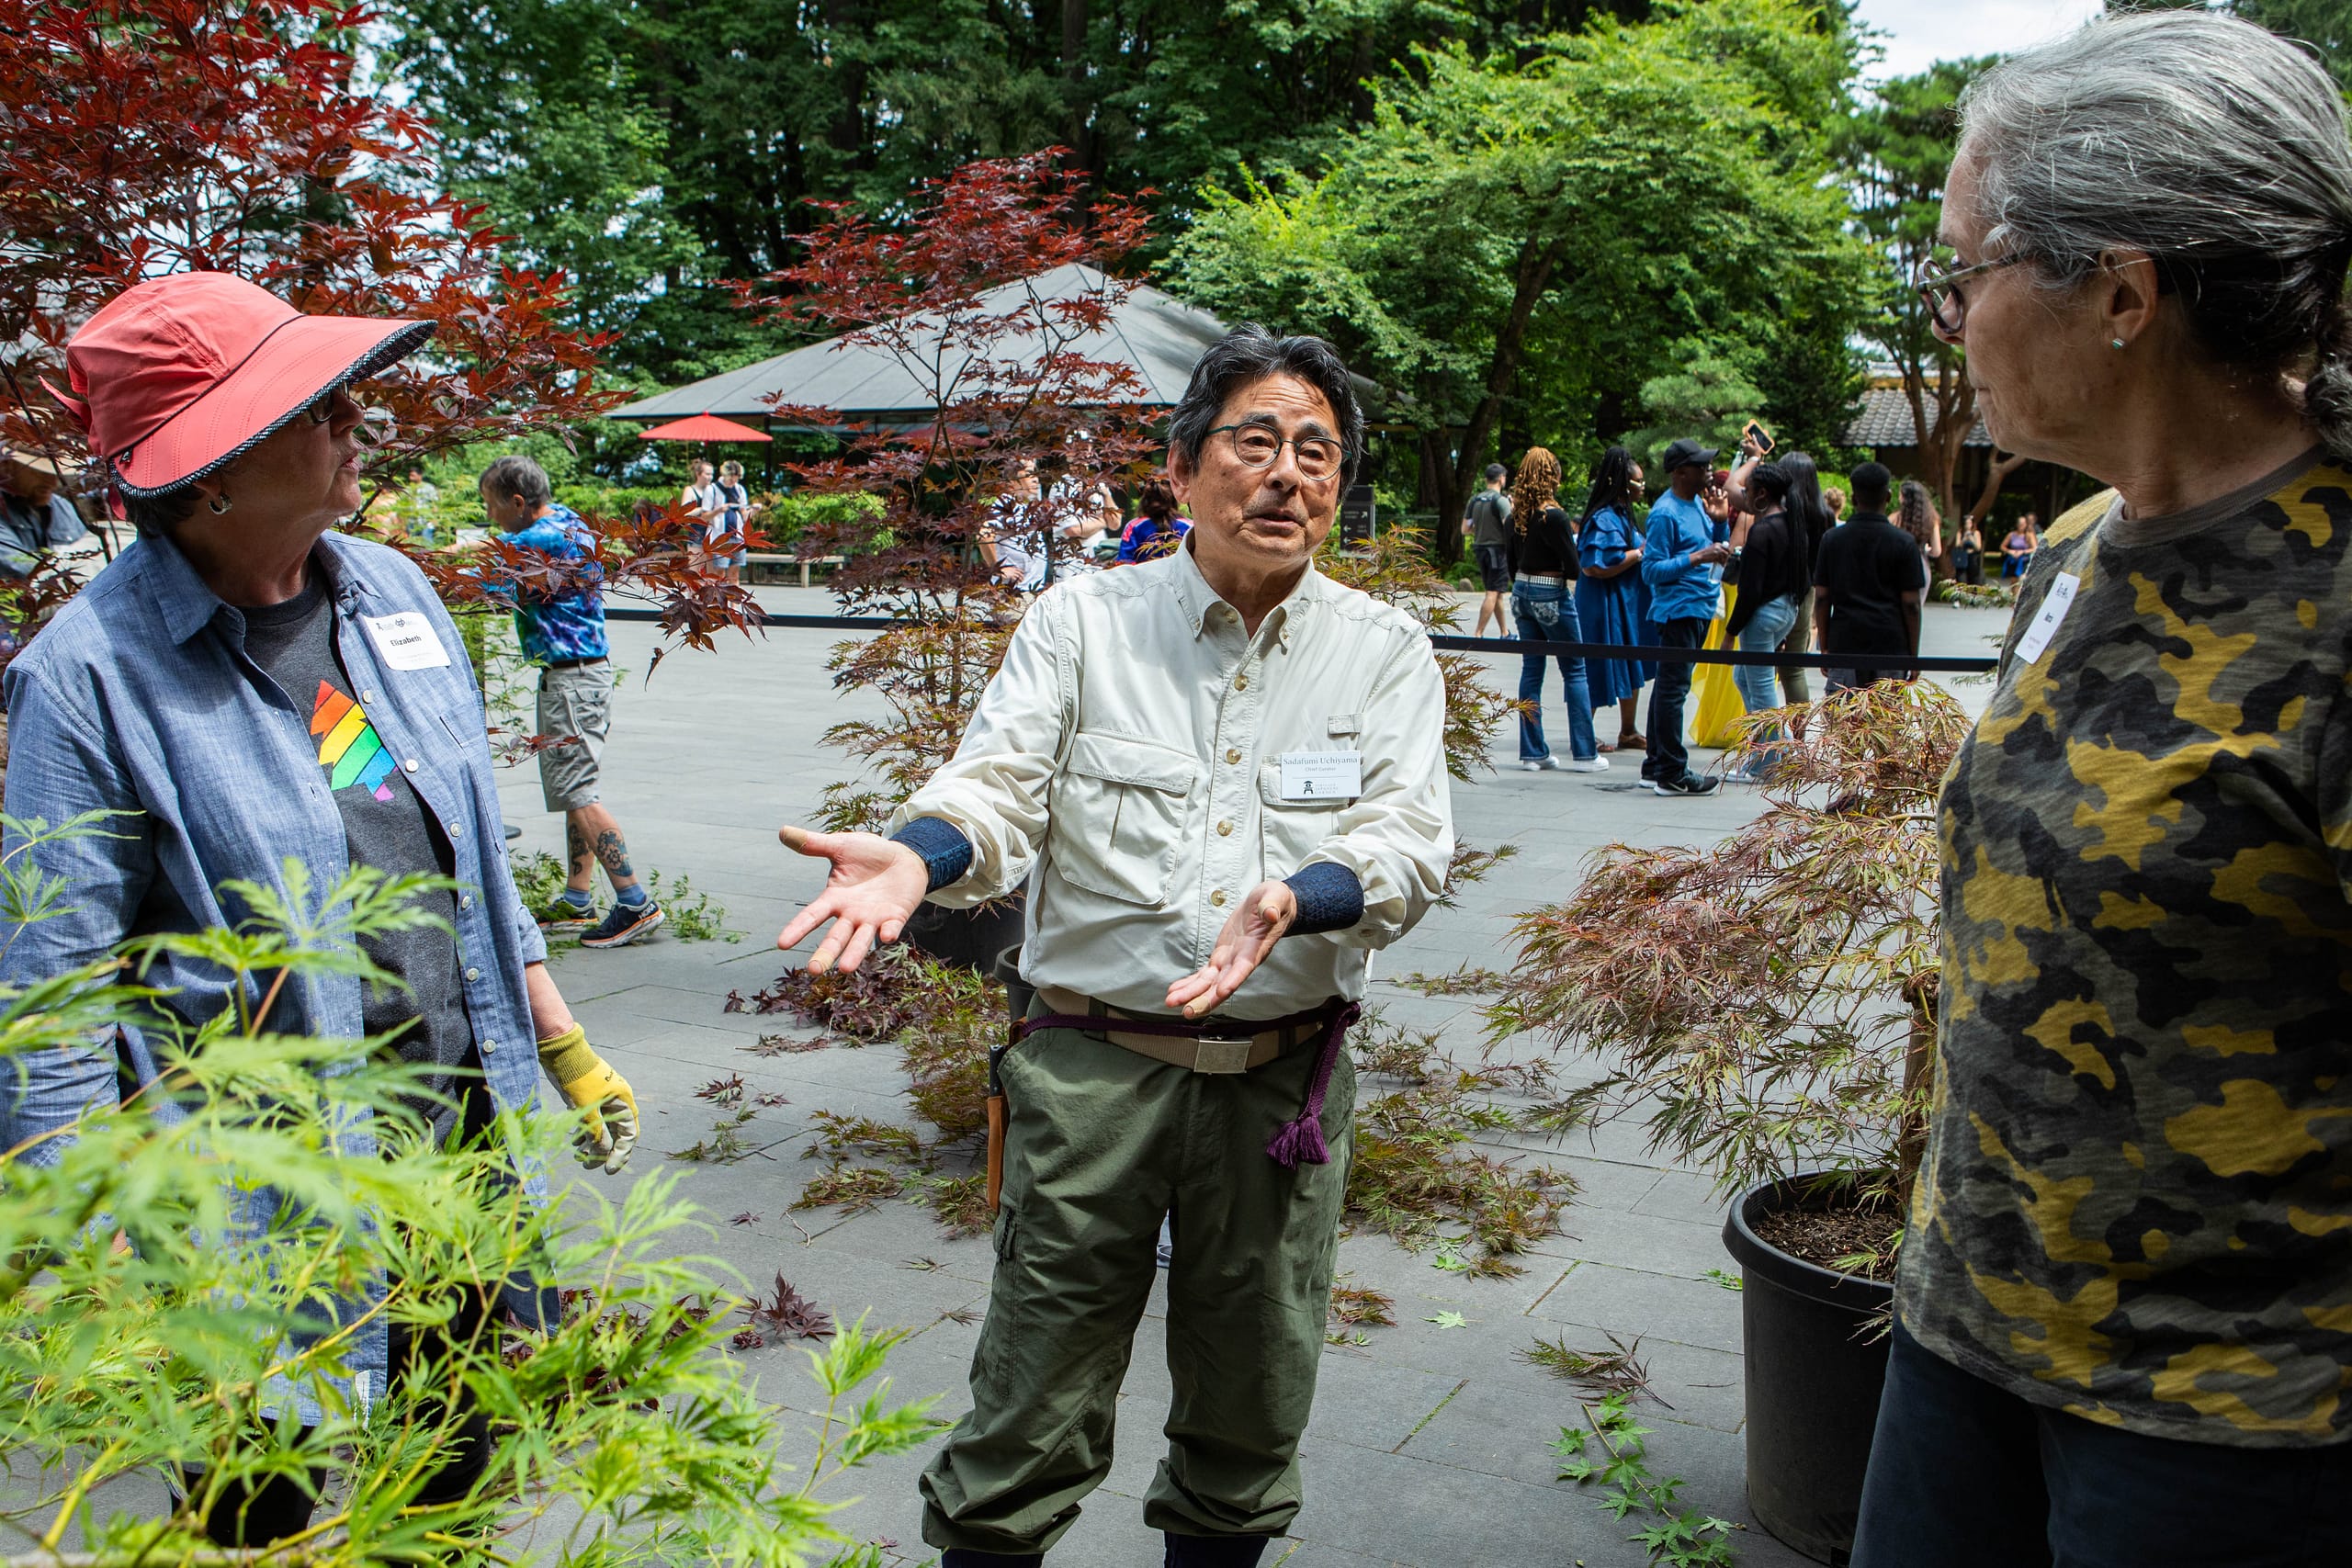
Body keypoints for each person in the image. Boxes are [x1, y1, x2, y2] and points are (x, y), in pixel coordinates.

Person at [776, 326, 1452, 1568]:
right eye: (1257, 440)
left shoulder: (1384, 651)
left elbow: (1408, 838)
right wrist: (920, 854)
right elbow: (996, 788)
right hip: (1095, 1072)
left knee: (1255, 1394)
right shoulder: (1084, 621)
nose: (1288, 473)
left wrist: (1298, 894)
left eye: (1318, 451)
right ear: (1184, 468)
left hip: (1282, 1084)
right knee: (1034, 1386)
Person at [0, 272, 639, 1547]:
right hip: (249, 1181)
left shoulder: (385, 598)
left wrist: (559, 1038)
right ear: (212, 469)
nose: (360, 414)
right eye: (318, 400)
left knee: (463, 1456)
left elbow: (423, 832)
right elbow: (49, 992)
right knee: (260, 1493)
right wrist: (80, 1242)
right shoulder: (86, 679)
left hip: (455, 1130)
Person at [1853, 14, 2352, 1566]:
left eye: (1963, 273)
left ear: (2123, 293)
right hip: (1965, 1334)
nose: (1949, 318)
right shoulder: (2073, 553)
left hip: (2229, 1423)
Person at [479, 454, 664, 948]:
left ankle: (634, 902)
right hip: (584, 677)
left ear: (518, 502)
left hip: (570, 682)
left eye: (492, 506)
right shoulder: (571, 521)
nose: (490, 516)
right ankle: (577, 900)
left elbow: (489, 590)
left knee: (578, 791)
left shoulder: (526, 543)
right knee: (574, 789)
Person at [1500, 446, 1605, 773]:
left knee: (1531, 670)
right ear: (1553, 477)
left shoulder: (1513, 517)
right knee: (1574, 670)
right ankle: (1585, 754)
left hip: (1520, 592)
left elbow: (1511, 564)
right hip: (1551, 593)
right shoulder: (1554, 517)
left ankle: (1533, 752)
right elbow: (1574, 568)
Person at [1638, 437, 1732, 796]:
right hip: (1679, 609)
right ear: (1680, 473)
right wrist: (1695, 558)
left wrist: (1721, 525)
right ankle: (1673, 772)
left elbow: (1711, 549)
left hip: (1699, 606)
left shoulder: (1694, 503)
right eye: (1702, 466)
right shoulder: (1664, 513)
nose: (1709, 471)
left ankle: (1655, 765)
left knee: (1667, 687)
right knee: (1673, 691)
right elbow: (1651, 570)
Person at [1722, 461, 1806, 779]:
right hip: (1786, 610)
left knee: (1759, 688)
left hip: (1764, 613)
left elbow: (1751, 589)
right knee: (1744, 678)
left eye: (1749, 489)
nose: (1744, 494)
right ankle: (1780, 746)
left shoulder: (1763, 529)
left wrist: (1730, 632)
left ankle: (1766, 762)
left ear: (1762, 493)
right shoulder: (1792, 524)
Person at [1811, 463, 1925, 692]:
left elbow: (1822, 598)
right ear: (1888, 496)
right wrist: (1913, 655)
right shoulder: (1904, 542)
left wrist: (1824, 647)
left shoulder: (1832, 540)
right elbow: (1911, 604)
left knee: (1844, 721)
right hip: (1891, 645)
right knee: (1886, 720)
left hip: (1844, 642)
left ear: (1853, 498)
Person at [1574, 446, 1652, 751]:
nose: (1642, 488)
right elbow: (1594, 565)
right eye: (1638, 482)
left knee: (1631, 662)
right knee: (1595, 665)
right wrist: (1637, 554)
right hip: (1601, 605)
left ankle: (1628, 731)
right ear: (1621, 483)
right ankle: (1583, 733)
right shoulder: (1604, 518)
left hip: (1624, 603)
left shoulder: (1622, 515)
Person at [1774, 450, 1835, 705]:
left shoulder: (1778, 513)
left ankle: (1764, 737)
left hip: (1775, 591)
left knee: (1762, 665)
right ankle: (1799, 736)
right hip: (1808, 592)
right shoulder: (1825, 515)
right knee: (1795, 667)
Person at [1, 446, 90, 578]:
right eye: (41, 472)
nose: (52, 483)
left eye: (55, 473)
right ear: (7, 466)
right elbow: (19, 570)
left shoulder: (64, 508)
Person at [1461, 461, 1512, 638]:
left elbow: (1465, 529)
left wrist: (1481, 528)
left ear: (1486, 479)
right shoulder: (1501, 501)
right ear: (1501, 479)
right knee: (1492, 592)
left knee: (1496, 592)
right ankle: (1478, 633)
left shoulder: (1474, 500)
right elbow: (1509, 527)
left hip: (1480, 550)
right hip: (1497, 551)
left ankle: (1504, 632)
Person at [1114, 473, 1191, 564]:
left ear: (1145, 498)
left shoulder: (1134, 526)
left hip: (1142, 577)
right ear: (1174, 497)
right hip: (1181, 577)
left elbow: (1124, 562)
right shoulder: (1190, 526)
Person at [711, 459, 754, 585]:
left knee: (735, 572)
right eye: (731, 478)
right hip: (720, 536)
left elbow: (744, 514)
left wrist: (753, 511)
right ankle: (720, 601)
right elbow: (706, 513)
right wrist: (720, 509)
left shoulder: (740, 489)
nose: (733, 481)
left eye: (736, 478)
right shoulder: (714, 489)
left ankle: (733, 604)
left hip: (737, 536)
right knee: (720, 572)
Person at [1897, 479, 1944, 568]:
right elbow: (1937, 551)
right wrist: (1926, 551)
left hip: (1899, 564)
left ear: (1904, 499)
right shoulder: (1931, 519)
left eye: (1900, 495)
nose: (1899, 498)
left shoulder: (1895, 518)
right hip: (1921, 565)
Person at [1951, 514, 1984, 584]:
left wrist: (1971, 539)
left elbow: (1978, 548)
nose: (1968, 525)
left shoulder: (1976, 533)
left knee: (1974, 580)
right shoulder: (1960, 533)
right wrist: (1964, 539)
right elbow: (1957, 545)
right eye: (1966, 523)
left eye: (1970, 523)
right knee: (1961, 579)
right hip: (1962, 558)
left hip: (1973, 558)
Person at [2001, 513, 2036, 578]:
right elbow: (2002, 546)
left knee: (2020, 580)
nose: (2021, 526)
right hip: (2013, 559)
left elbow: (2035, 548)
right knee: (2013, 581)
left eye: (2022, 524)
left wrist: (2023, 552)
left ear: (2026, 524)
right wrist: (2009, 551)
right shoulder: (2011, 535)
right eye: (2019, 524)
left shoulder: (2029, 535)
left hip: (2024, 561)